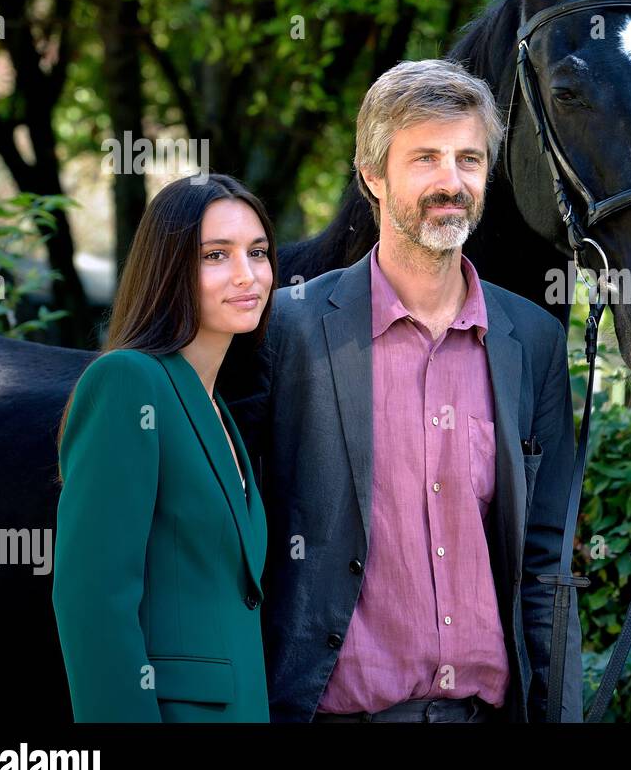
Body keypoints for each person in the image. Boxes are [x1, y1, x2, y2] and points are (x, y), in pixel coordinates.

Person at [232, 59, 581, 723]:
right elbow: (236, 547)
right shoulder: (289, 330)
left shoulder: (532, 341)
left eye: (469, 159)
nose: (451, 181)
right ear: (372, 173)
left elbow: (545, 561)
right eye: (425, 157)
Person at [52, 173, 275, 722]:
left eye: (259, 252)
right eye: (216, 255)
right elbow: (92, 600)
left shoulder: (216, 407)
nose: (248, 275)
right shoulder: (128, 381)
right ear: (169, 268)